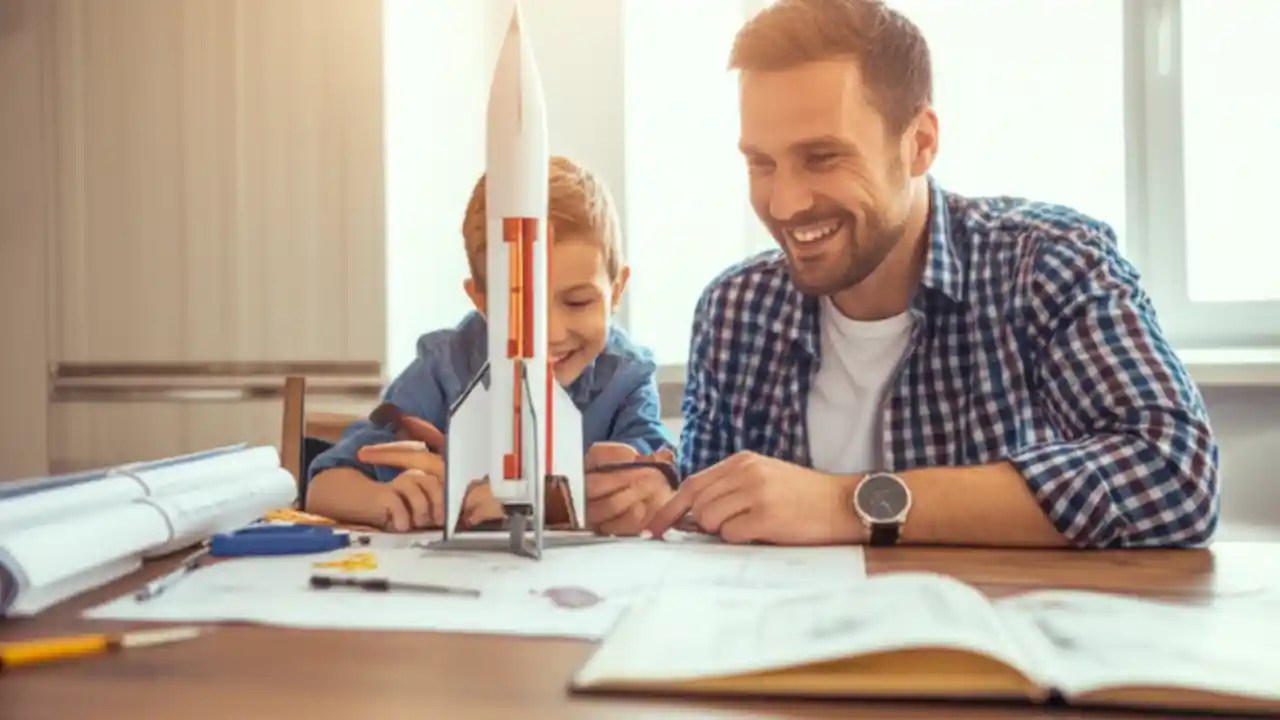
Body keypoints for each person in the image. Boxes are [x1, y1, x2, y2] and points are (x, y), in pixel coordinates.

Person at [646, 0, 1219, 549]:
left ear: (920, 143)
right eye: (762, 163)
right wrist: (653, 495)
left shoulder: (1047, 263)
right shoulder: (732, 310)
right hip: (790, 645)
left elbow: (1175, 474)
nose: (786, 203)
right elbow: (708, 526)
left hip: (992, 638)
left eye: (822, 158)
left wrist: (844, 504)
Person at [307, 156, 677, 534]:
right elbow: (324, 485)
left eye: (578, 302)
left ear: (616, 291)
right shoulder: (445, 366)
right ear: (481, 300)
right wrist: (381, 500)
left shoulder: (628, 377)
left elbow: (655, 482)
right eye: (519, 305)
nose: (549, 333)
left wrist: (543, 499)